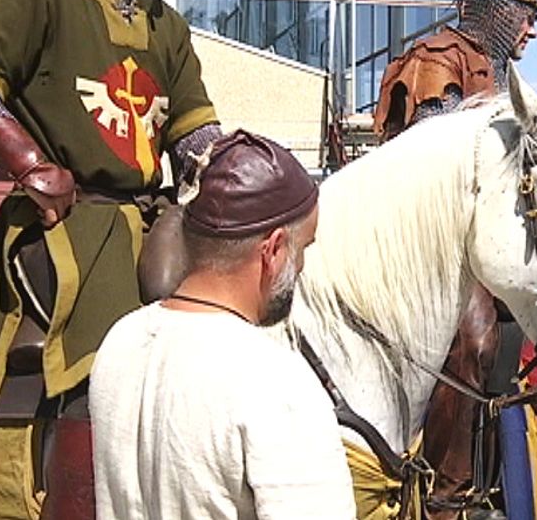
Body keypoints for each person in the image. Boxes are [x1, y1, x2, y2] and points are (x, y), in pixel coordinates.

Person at [0, 0, 221, 516]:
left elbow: (195, 138)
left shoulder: (168, 27)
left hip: (151, 223)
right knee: (106, 354)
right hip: (63, 223)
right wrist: (30, 163)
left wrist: (248, 177)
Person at [91, 129, 356, 519]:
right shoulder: (275, 381)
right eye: (303, 248)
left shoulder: (120, 342)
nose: (301, 266)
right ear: (273, 250)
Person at [372, 0, 537, 514]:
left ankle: (509, 473)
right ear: (498, 11)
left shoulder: (502, 76)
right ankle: (445, 494)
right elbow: (436, 157)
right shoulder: (438, 58)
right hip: (429, 244)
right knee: (470, 339)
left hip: (481, 239)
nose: (533, 30)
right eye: (527, 16)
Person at [372, 0, 537, 142]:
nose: (533, 32)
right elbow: (435, 144)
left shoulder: (503, 72)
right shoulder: (438, 58)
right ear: (502, 13)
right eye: (529, 20)